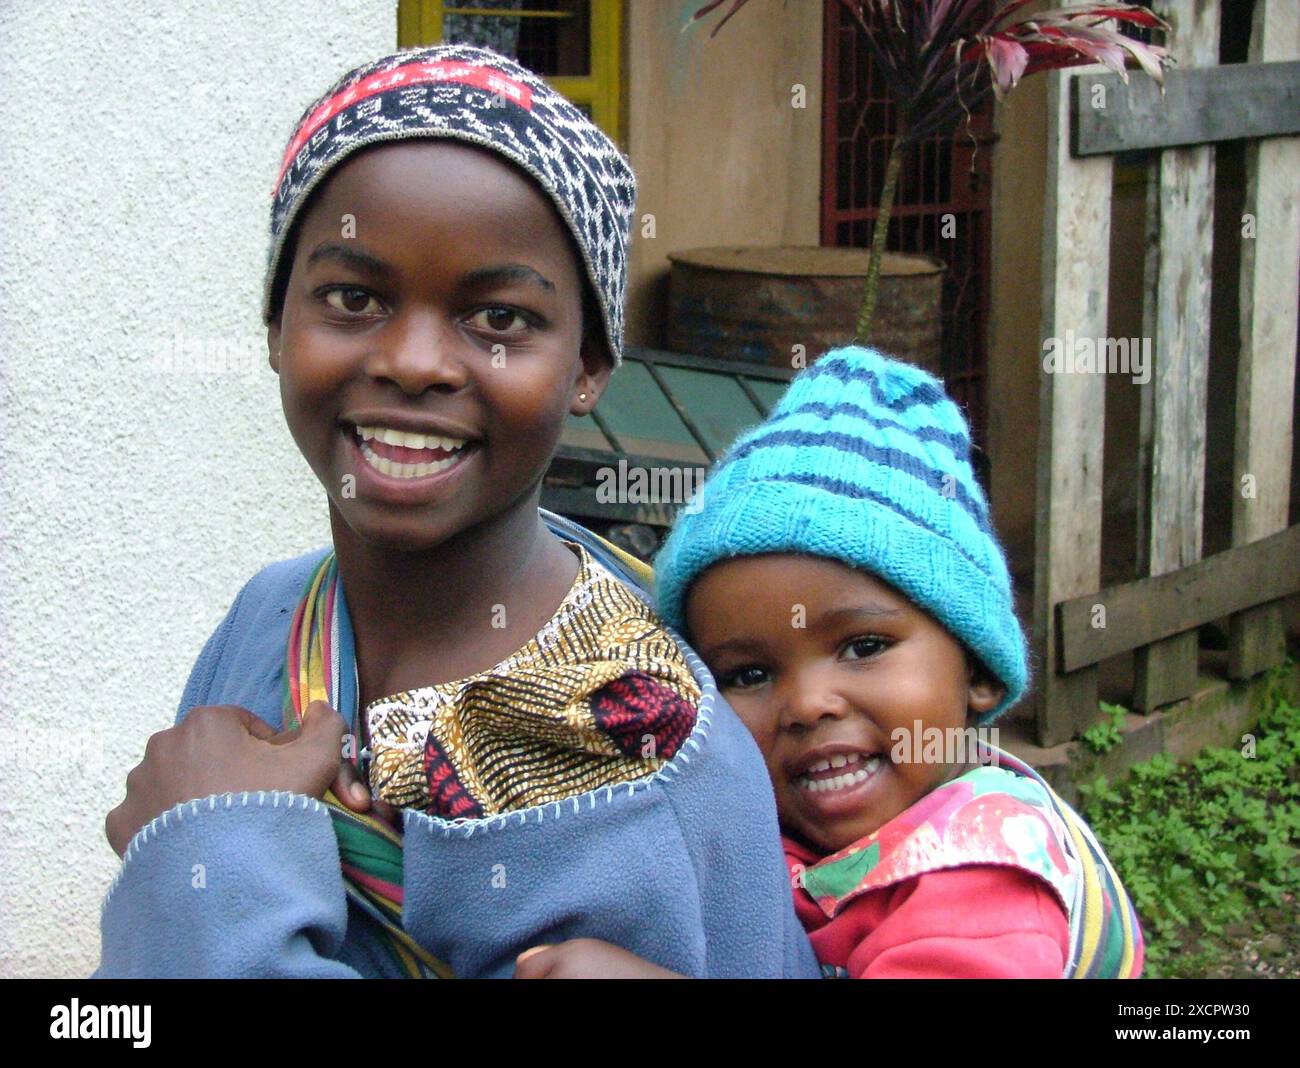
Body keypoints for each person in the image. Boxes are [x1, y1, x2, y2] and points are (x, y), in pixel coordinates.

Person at [93, 43, 819, 980]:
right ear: (275, 326)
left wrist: (203, 863)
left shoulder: (655, 754)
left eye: (501, 319)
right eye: (353, 297)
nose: (416, 360)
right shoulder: (265, 625)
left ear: (590, 366)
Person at [539, 345, 1145, 978]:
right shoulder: (796, 825)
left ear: (980, 670)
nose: (806, 704)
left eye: (863, 647)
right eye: (748, 675)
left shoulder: (977, 877)